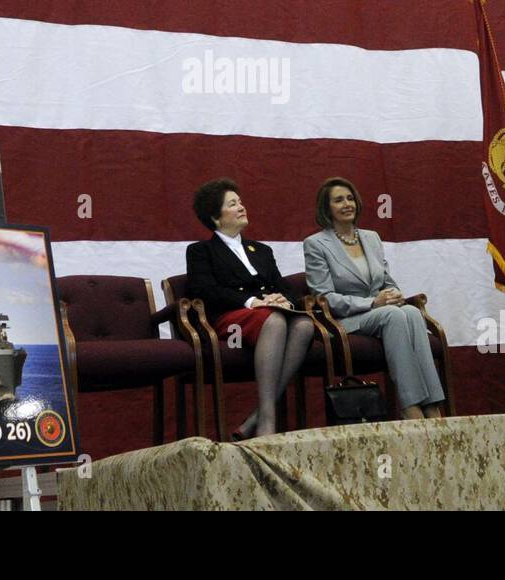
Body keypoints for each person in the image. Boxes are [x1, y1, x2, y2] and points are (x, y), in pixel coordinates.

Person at [303, 177, 445, 419]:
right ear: (327, 209)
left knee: (411, 312)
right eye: (338, 200)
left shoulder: (372, 238)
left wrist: (394, 293)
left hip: (382, 311)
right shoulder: (316, 244)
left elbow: (385, 281)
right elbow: (324, 298)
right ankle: (411, 407)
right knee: (393, 315)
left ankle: (432, 405)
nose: (347, 204)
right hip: (346, 319)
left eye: (349, 198)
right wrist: (372, 303)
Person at [185, 178, 316, 438]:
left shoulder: (262, 250)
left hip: (269, 312)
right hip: (230, 317)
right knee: (275, 321)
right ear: (215, 216)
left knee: (304, 325)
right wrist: (253, 302)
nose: (242, 207)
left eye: (240, 202)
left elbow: (284, 286)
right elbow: (205, 291)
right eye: (233, 204)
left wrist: (283, 300)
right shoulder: (201, 251)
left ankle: (255, 417)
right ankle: (267, 421)